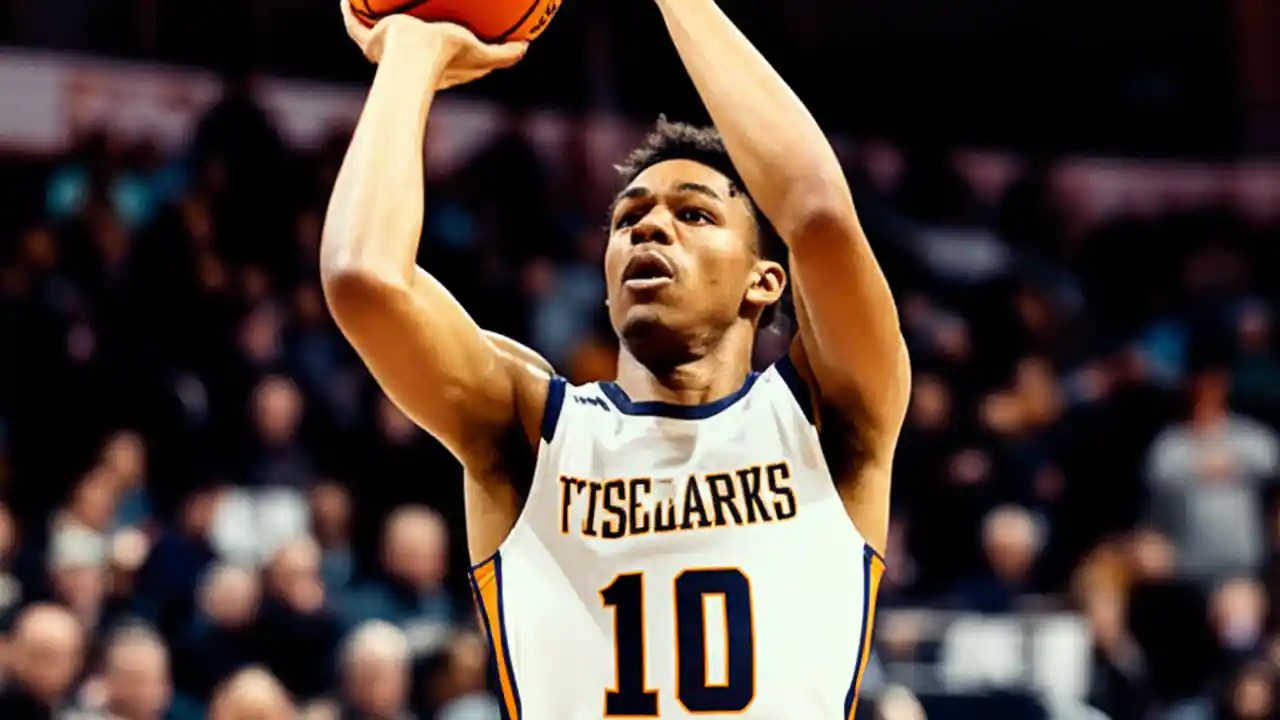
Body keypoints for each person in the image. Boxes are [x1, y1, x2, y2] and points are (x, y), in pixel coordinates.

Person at [322, 0, 911, 716]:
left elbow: (816, 210)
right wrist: (412, 49)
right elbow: (363, 279)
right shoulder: (533, 429)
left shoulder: (828, 418)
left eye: (693, 214)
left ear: (764, 281)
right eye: (628, 219)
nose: (650, 226)